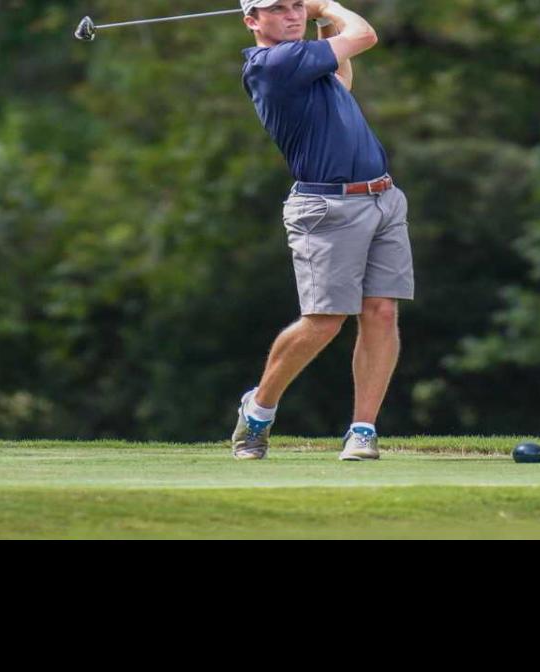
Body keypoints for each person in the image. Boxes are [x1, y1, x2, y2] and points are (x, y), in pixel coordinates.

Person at [231, 0, 415, 461]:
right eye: (277, 8)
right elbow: (365, 35)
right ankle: (259, 409)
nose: (292, 15)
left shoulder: (303, 64)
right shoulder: (274, 63)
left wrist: (323, 21)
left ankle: (363, 430)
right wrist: (328, 6)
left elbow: (342, 82)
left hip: (383, 197)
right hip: (326, 208)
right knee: (324, 322)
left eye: (297, 5)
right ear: (252, 20)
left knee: (381, 313)